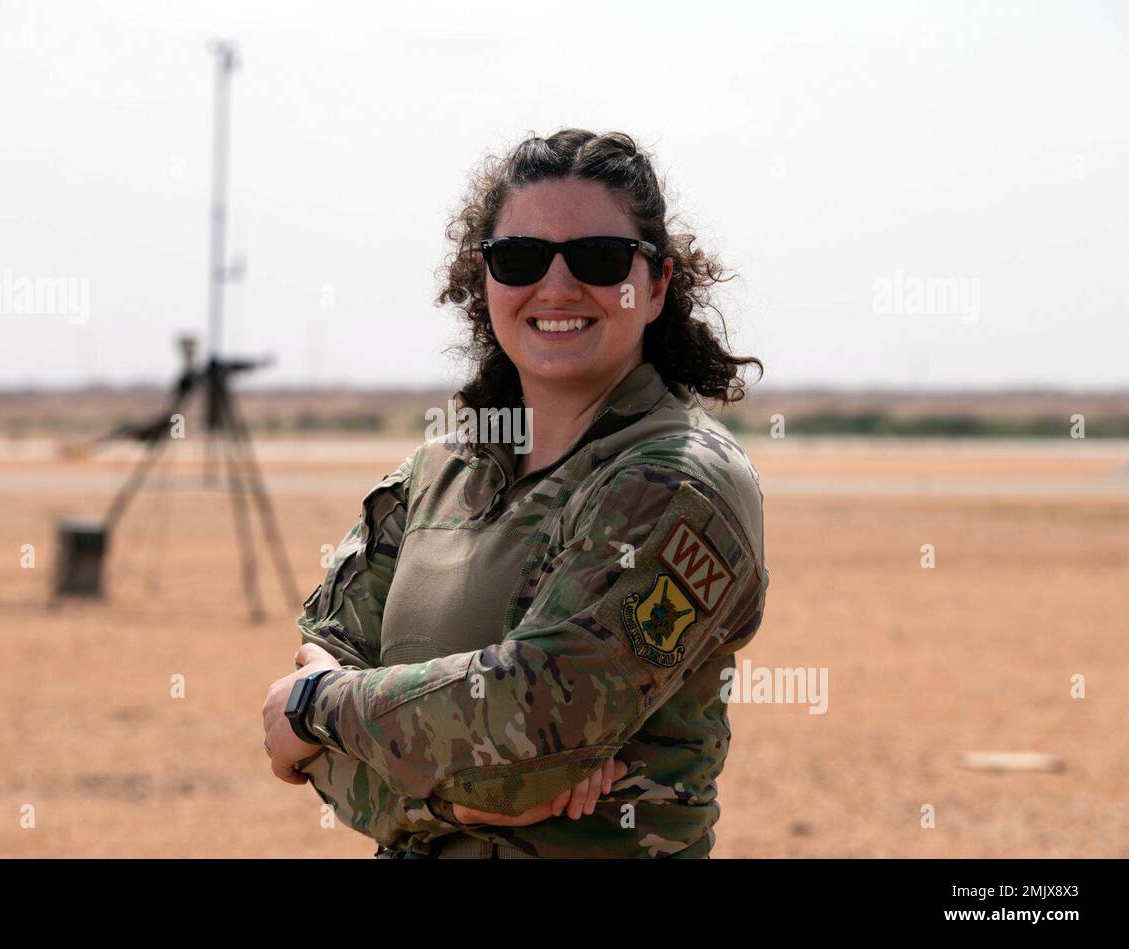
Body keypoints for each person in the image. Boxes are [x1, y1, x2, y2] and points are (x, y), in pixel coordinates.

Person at [262, 128, 768, 858]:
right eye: (521, 258)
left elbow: (525, 737)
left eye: (598, 258)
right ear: (485, 281)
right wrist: (457, 796)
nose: (557, 287)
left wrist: (318, 708)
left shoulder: (676, 482)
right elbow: (314, 688)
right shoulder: (436, 471)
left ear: (655, 286)